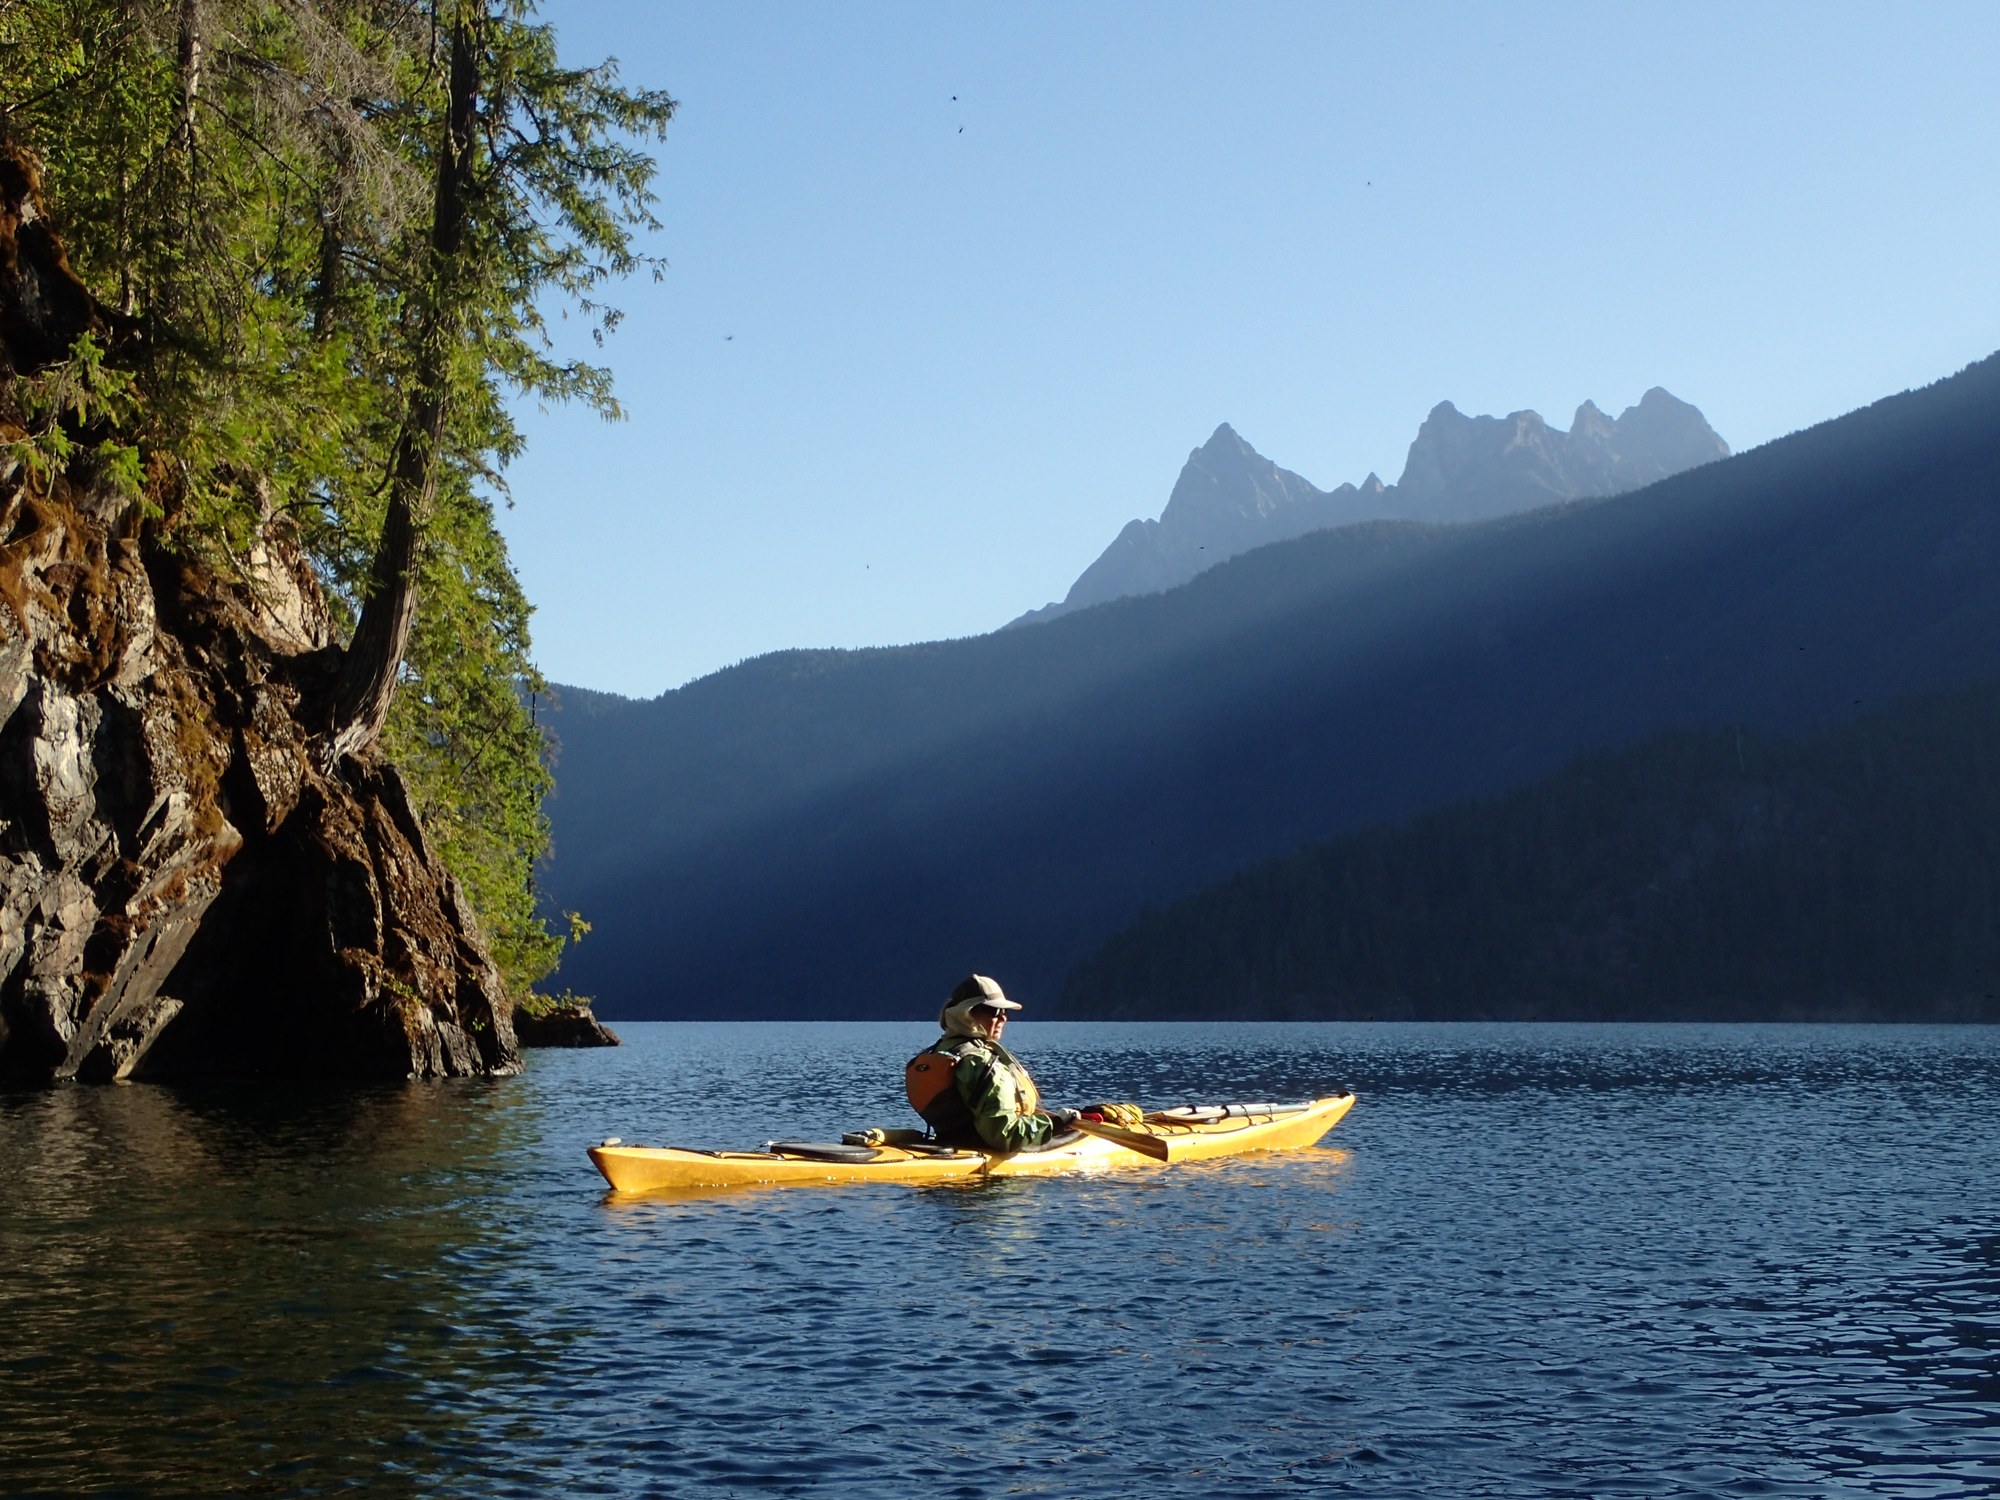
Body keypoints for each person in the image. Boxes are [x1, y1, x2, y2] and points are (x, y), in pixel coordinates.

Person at [905, 974, 1078, 1151]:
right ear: (968, 1013)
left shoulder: (938, 1051)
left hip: (950, 1143)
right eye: (994, 1011)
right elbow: (1004, 1135)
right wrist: (1054, 1125)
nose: (1003, 1018)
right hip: (988, 1152)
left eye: (1004, 1012)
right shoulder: (984, 1064)